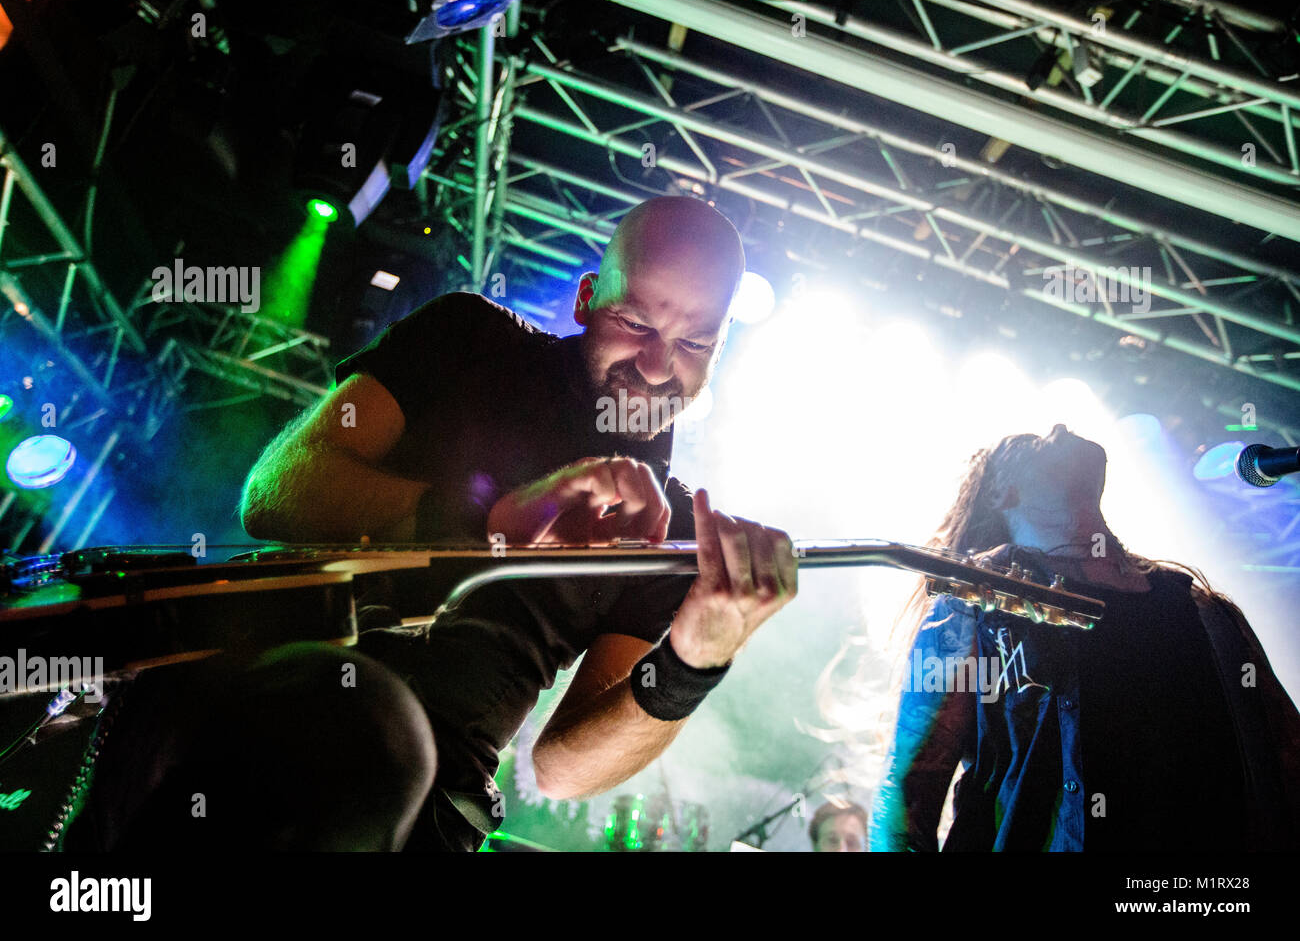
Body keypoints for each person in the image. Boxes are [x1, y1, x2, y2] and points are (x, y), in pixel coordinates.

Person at [234, 195, 798, 850]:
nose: (655, 365)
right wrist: (487, 517)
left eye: (694, 343)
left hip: (424, 809)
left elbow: (560, 770)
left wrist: (691, 664)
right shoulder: (470, 334)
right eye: (635, 322)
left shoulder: (669, 535)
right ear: (587, 298)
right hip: (262, 704)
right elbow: (275, 491)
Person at [870, 424, 1300, 851]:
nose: (1059, 427)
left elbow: (1289, 758)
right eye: (1036, 442)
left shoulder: (1201, 606)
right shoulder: (973, 600)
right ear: (1003, 493)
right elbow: (908, 798)